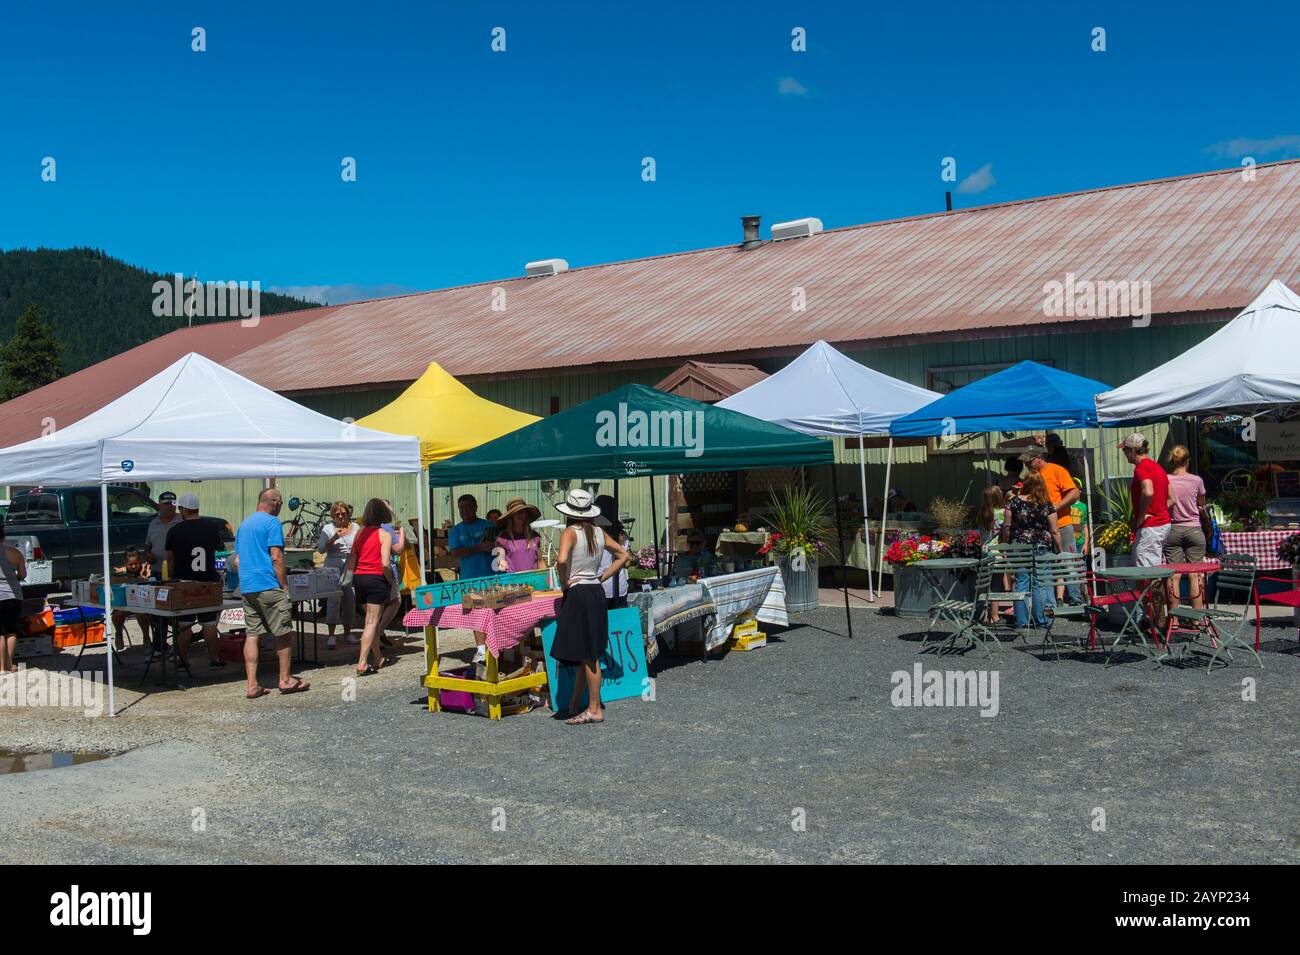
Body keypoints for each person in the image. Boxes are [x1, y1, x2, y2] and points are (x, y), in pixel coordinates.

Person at [551, 489, 631, 726]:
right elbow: (623, 555)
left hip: (578, 592)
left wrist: (564, 581)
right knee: (586, 653)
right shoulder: (599, 531)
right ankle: (576, 702)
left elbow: (562, 560)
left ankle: (594, 708)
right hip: (595, 590)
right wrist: (602, 576)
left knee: (589, 655)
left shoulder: (569, 532)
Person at [233, 488, 310, 699]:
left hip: (248, 587)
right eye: (282, 503)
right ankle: (285, 679)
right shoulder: (272, 522)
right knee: (283, 633)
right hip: (268, 585)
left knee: (252, 634)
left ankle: (252, 684)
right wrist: (284, 585)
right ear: (274, 502)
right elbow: (276, 556)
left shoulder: (244, 524)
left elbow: (237, 561)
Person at [164, 493, 225, 669]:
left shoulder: (175, 530)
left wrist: (171, 579)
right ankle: (214, 659)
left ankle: (183, 661)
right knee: (209, 623)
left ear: (183, 509)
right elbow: (217, 548)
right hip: (208, 581)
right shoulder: (211, 527)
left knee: (184, 625)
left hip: (185, 583)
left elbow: (170, 558)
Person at [1000, 472, 1062, 630]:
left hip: (1019, 547)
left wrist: (1006, 544)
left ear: (1025, 484)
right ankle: (1040, 621)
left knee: (1021, 582)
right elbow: (1055, 531)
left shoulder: (1013, 503)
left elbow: (1007, 526)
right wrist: (1059, 550)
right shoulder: (1046, 504)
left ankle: (1021, 621)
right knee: (1039, 584)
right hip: (1041, 547)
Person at [343, 498, 398, 676]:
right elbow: (385, 564)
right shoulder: (385, 534)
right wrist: (389, 581)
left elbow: (352, 557)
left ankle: (378, 657)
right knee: (372, 622)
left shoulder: (360, 533)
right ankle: (361, 662)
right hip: (376, 578)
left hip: (359, 578)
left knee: (370, 622)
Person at [1022, 445, 1080, 604]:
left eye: (1028, 461)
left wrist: (1055, 508)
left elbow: (1074, 493)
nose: (1026, 465)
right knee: (1045, 565)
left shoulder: (1057, 470)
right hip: (1042, 529)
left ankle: (1075, 600)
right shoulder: (1032, 476)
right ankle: (1049, 603)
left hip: (1062, 524)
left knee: (1068, 562)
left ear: (1039, 457)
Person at [1164, 444, 1207, 612]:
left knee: (1174, 575)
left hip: (1173, 529)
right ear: (1187, 461)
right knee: (1195, 574)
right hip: (1194, 529)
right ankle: (1197, 619)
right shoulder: (1196, 480)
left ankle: (1173, 619)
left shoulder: (1166, 479)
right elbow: (1201, 503)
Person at [1121, 432, 1171, 567]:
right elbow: (1173, 498)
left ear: (1132, 450)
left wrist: (1141, 516)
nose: (1124, 453)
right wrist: (1158, 510)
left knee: (1147, 572)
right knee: (1143, 566)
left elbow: (1148, 491)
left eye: (1125, 450)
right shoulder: (1158, 467)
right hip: (1162, 524)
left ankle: (1150, 589)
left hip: (1151, 526)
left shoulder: (1141, 468)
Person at [142, 490, 182, 656]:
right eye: (167, 504)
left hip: (177, 573)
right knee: (157, 612)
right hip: (158, 573)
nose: (170, 507)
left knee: (178, 612)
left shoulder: (180, 522)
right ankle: (159, 645)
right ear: (159, 505)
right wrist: (148, 554)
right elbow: (147, 546)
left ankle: (179, 644)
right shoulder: (153, 524)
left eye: (173, 504)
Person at [316, 501, 359, 650]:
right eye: (336, 514)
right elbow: (320, 549)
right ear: (332, 515)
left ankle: (348, 633)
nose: (340, 516)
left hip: (350, 565)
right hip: (332, 566)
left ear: (348, 513)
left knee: (350, 599)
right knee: (333, 600)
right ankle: (331, 635)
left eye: (343, 513)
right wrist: (334, 538)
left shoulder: (356, 528)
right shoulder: (328, 528)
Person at [110, 545, 153, 651]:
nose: (133, 566)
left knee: (140, 612)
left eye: (136, 564)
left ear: (140, 561)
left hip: (142, 603)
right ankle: (119, 634)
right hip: (125, 603)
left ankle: (146, 637)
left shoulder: (145, 569)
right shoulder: (122, 572)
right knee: (117, 613)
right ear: (125, 563)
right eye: (130, 564)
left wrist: (146, 577)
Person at [448, 494, 497, 580]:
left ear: (475, 508)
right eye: (461, 508)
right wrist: (479, 548)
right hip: (469, 580)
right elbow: (455, 553)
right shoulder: (455, 531)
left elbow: (499, 548)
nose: (464, 511)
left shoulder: (489, 526)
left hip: (491, 577)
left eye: (468, 507)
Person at [0, 524, 26, 674]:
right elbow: (23, 575)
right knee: (10, 630)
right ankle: (10, 665)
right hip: (13, 596)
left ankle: (1, 668)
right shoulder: (15, 553)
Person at [594, 495, 629, 608]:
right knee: (619, 624)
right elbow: (627, 563)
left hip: (600, 585)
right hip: (619, 587)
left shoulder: (596, 534)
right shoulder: (621, 534)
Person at [495, 498, 546, 573]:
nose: (521, 514)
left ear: (526, 515)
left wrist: (546, 579)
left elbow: (540, 561)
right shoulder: (503, 538)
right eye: (517, 512)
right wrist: (500, 562)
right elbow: (499, 560)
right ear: (511, 516)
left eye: (523, 511)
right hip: (513, 582)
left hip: (534, 582)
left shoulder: (535, 536)